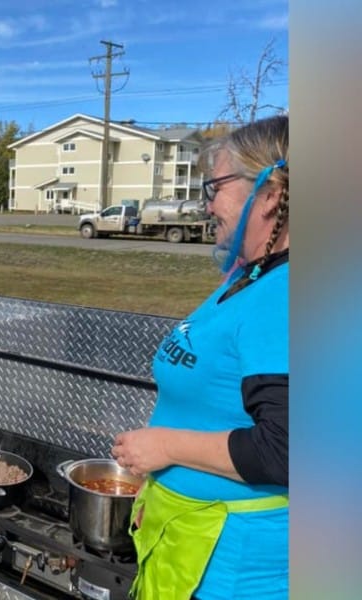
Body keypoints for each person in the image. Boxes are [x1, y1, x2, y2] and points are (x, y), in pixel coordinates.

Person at [111, 115, 289, 599]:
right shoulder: (250, 276)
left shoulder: (286, 294)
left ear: (270, 195)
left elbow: (287, 448)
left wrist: (167, 447)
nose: (207, 205)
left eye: (216, 187)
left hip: (234, 568)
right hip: (189, 542)